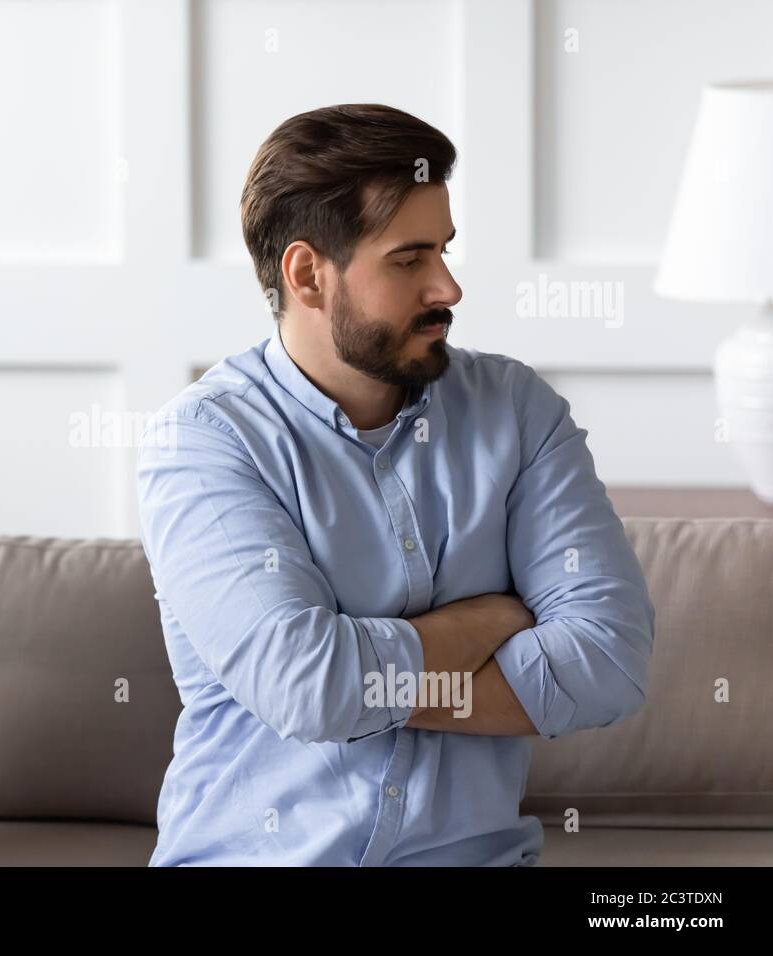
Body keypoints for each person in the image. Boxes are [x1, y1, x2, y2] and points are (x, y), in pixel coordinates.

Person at [136, 104, 654, 866]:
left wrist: (363, 683)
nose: (448, 287)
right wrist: (487, 623)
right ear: (309, 275)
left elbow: (610, 664)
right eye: (409, 260)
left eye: (444, 250)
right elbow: (307, 688)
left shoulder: (515, 411)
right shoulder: (206, 442)